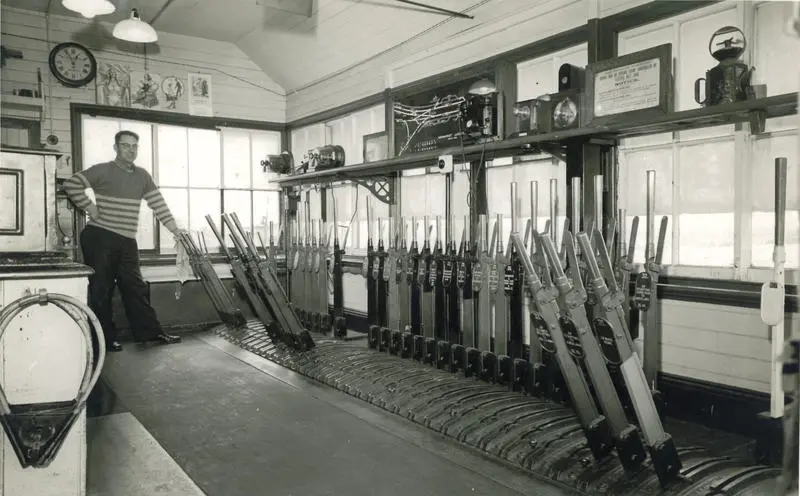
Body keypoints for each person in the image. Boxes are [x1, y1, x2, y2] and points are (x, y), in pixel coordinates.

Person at [64, 130, 183, 352]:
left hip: (126, 239)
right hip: (100, 236)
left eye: (134, 146)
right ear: (116, 147)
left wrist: (176, 230)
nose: (130, 150)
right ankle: (104, 339)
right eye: (125, 145)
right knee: (102, 289)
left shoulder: (142, 176)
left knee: (136, 286)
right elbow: (71, 184)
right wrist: (90, 207)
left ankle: (149, 333)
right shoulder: (103, 170)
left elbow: (158, 204)